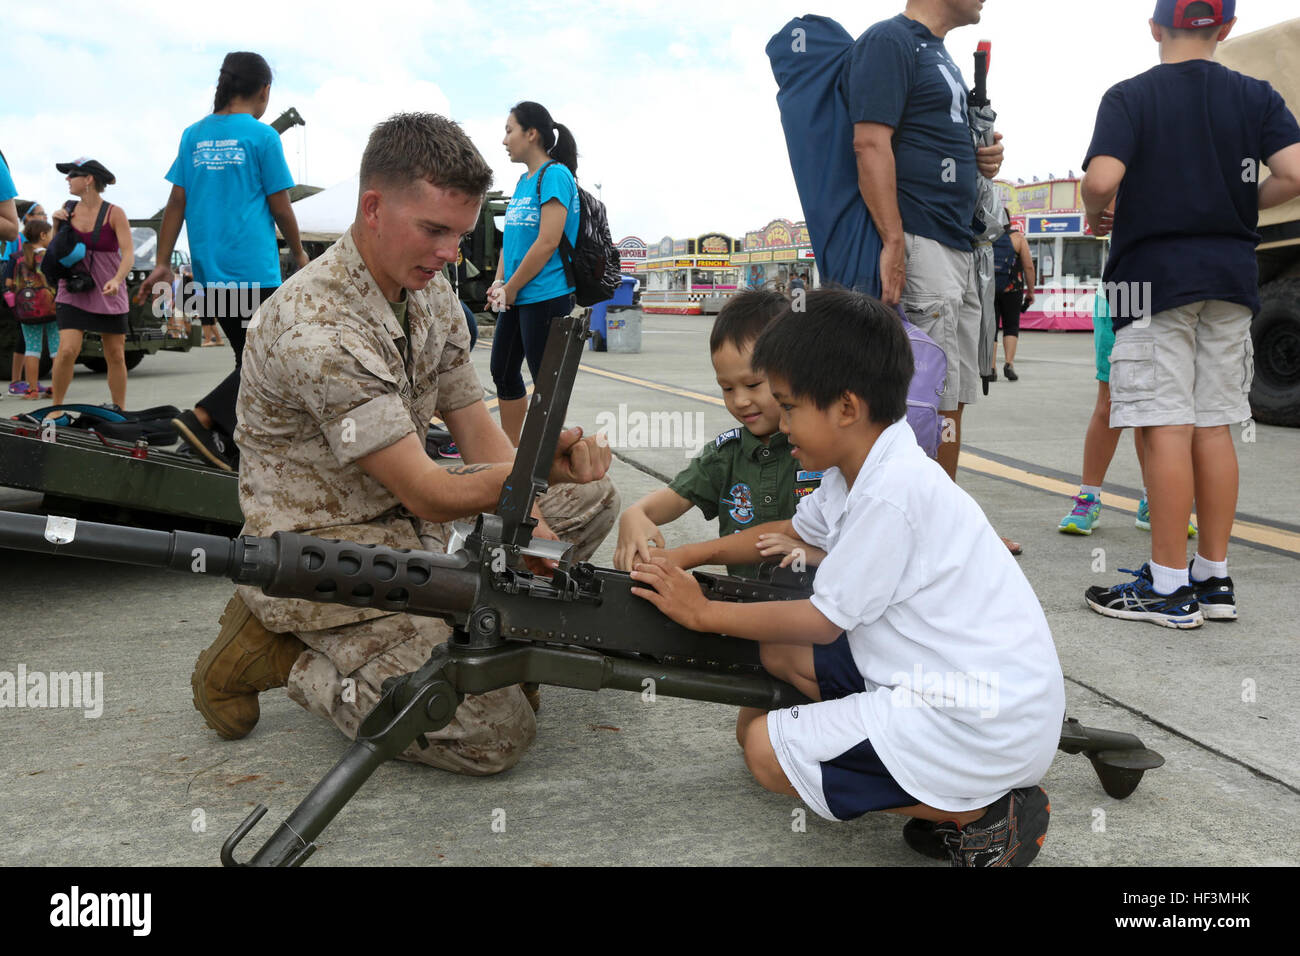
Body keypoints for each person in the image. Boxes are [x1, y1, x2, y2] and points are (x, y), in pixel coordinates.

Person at [190, 112, 619, 777]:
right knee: (494, 733)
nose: (452, 252)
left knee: (589, 497)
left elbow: (475, 429)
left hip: (415, 531)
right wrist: (532, 478)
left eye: (462, 234)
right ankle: (284, 656)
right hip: (330, 557)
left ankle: (485, 631)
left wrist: (537, 500)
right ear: (374, 209)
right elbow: (430, 489)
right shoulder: (317, 327)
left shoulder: (429, 295)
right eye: (436, 230)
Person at [629, 289, 1064, 866]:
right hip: (957, 684)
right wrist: (686, 559)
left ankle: (982, 812)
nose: (781, 426)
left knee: (763, 750)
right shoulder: (860, 467)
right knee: (777, 650)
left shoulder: (892, 493)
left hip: (978, 723)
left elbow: (822, 620)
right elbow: (783, 529)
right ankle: (925, 773)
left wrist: (701, 612)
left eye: (788, 407)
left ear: (846, 408)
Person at [1081, 0, 1300, 627]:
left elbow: (1100, 181)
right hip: (1230, 277)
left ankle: (1169, 589)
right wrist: (1235, 204)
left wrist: (1101, 213)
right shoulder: (1255, 95)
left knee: (1161, 423)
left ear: (1155, 28)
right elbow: (1294, 171)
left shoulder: (1130, 96)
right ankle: (1213, 578)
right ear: (1224, 29)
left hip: (1146, 283)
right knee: (1215, 424)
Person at [845, 0, 1020, 554]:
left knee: (951, 395)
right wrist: (894, 239)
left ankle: (943, 521)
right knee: (919, 395)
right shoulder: (890, 41)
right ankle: (910, 530)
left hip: (961, 244)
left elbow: (927, 141)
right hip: (922, 240)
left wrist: (978, 159)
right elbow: (870, 141)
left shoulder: (939, 54)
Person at [139, 51, 308, 471]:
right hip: (254, 274)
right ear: (265, 90)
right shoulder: (262, 137)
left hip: (210, 280)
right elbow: (281, 205)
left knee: (247, 358)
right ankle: (203, 420)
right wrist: (300, 252)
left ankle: (226, 444)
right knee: (272, 357)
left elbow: (176, 202)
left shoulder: (193, 135)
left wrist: (162, 263)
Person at [613, 289, 822, 578]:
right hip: (741, 605)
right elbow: (673, 498)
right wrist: (636, 513)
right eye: (727, 388)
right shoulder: (725, 455)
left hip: (814, 608)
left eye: (752, 385)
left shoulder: (823, 451)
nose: (739, 401)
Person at [1058, 294, 1197, 538]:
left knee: (1151, 408)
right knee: (1110, 400)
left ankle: (1153, 501)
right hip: (1121, 294)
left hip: (1165, 301)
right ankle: (1088, 498)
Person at [488, 101, 581, 446]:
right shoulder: (523, 181)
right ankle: (512, 454)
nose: (504, 140)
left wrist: (511, 288)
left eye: (509, 130)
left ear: (532, 134)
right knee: (503, 371)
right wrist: (500, 282)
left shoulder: (555, 175)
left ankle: (545, 456)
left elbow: (547, 241)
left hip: (545, 294)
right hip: (517, 293)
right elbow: (511, 241)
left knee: (546, 383)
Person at [48, 158, 133, 411]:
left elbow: (128, 254)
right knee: (66, 351)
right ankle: (56, 408)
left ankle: (120, 410)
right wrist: (56, 224)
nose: (67, 179)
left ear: (89, 180)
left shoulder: (114, 212)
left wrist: (117, 279)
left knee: (116, 355)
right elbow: (57, 250)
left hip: (109, 290)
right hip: (73, 289)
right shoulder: (68, 208)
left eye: (72, 175)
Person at [6, 219, 58, 397]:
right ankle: (58, 387)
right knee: (56, 348)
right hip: (51, 308)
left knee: (32, 348)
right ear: (43, 235)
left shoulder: (16, 257)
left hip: (27, 310)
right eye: (50, 234)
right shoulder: (51, 255)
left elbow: (8, 283)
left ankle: (33, 389)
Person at [989, 212, 1035, 381]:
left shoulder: (986, 237)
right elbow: (1029, 267)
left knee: (990, 329)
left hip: (989, 289)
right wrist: (1030, 291)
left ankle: (991, 367)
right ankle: (1009, 364)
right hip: (1013, 289)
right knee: (1011, 327)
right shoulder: (1017, 238)